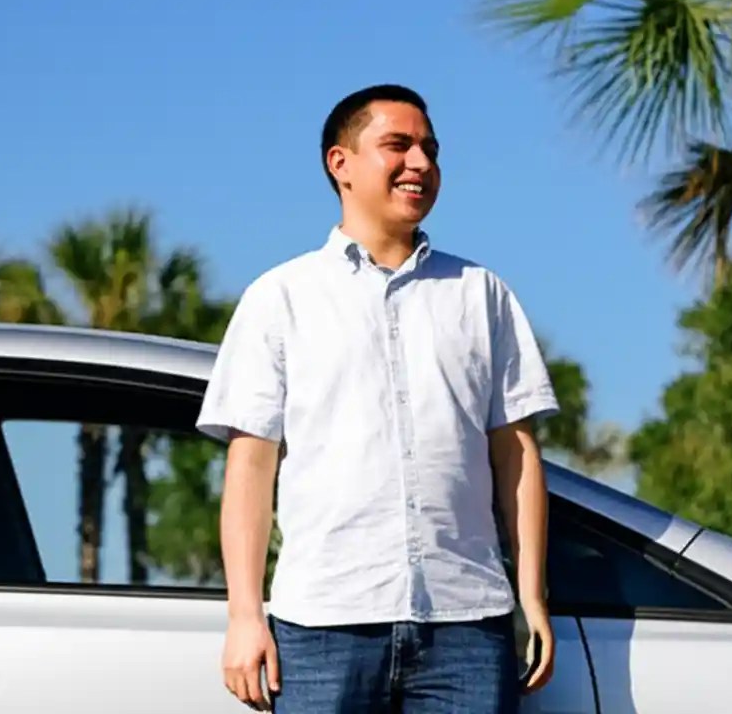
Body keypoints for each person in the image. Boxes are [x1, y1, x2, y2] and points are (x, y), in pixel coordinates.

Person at [196, 83, 558, 712]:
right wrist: (245, 617)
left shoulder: (481, 293)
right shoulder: (279, 297)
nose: (420, 163)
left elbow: (516, 454)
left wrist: (532, 597)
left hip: (468, 628)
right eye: (398, 145)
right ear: (341, 164)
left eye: (430, 150)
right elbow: (251, 466)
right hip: (321, 629)